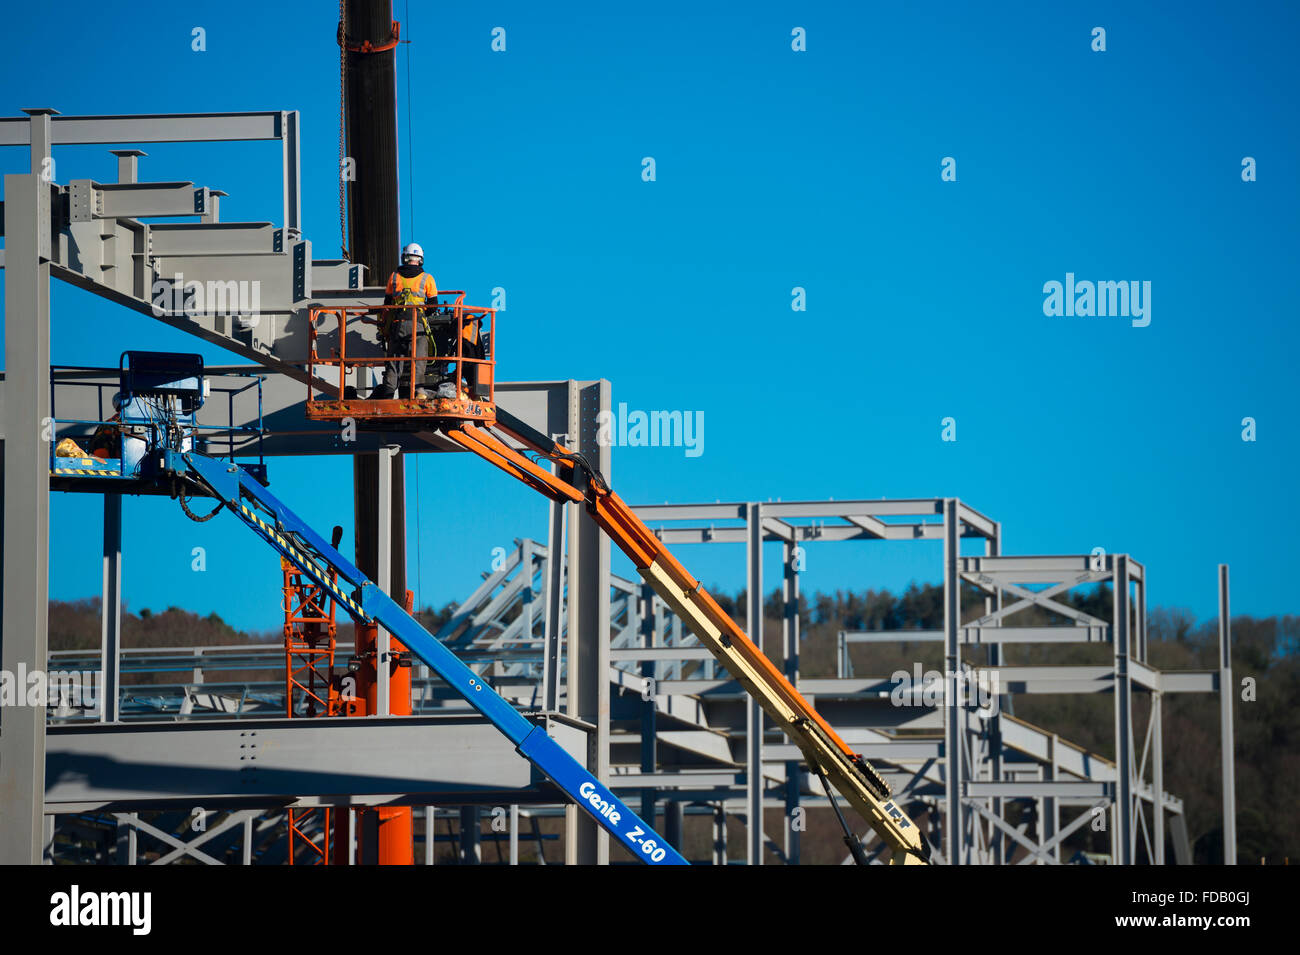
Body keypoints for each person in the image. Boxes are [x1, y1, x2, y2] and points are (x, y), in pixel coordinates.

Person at [372, 242, 437, 400]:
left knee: (395, 359)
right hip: (418, 324)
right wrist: (423, 312)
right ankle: (418, 390)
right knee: (419, 357)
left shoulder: (394, 277)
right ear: (420, 259)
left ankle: (388, 391)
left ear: (404, 258)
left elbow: (387, 304)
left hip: (398, 324)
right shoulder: (427, 278)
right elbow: (434, 305)